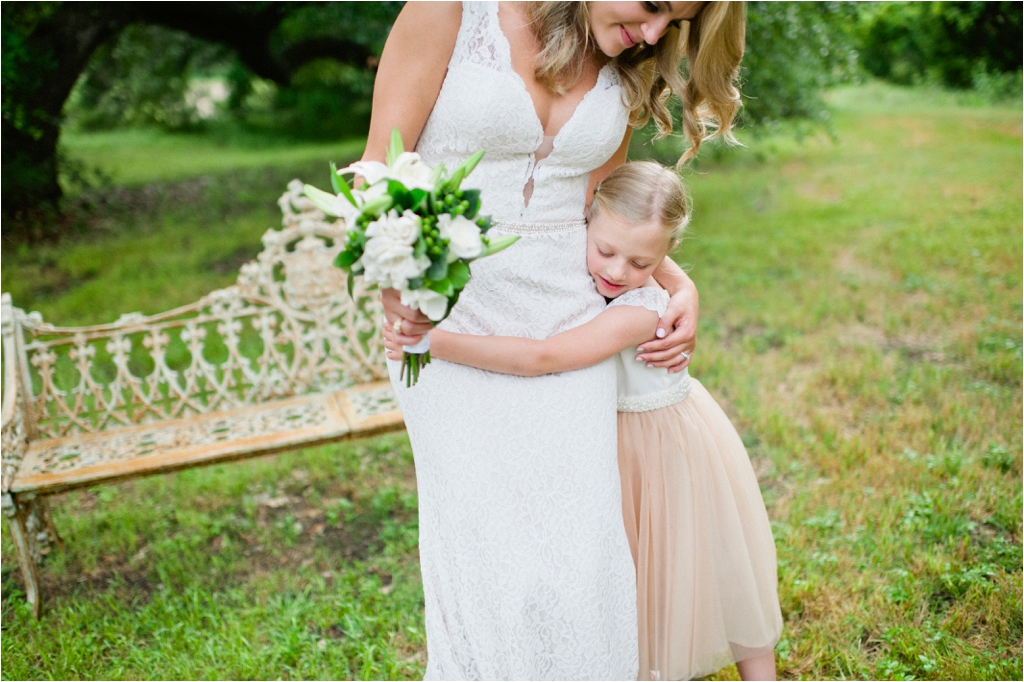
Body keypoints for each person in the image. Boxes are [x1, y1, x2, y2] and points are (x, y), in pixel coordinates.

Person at [365, 2, 746, 677]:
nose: (655, 34)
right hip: (449, 321)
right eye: (654, 5)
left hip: (571, 320)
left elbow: (606, 207)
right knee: (484, 558)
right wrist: (396, 280)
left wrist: (679, 288)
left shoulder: (627, 64)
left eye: (674, 25)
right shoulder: (450, 12)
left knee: (581, 552)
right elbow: (380, 167)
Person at [385, 162, 783, 681]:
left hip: (657, 449)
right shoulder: (572, 248)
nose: (617, 272)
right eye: (606, 251)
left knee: (703, 569)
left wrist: (434, 342)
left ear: (666, 257)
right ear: (586, 221)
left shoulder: (642, 309)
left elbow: (544, 356)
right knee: (618, 581)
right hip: (599, 442)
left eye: (642, 262)